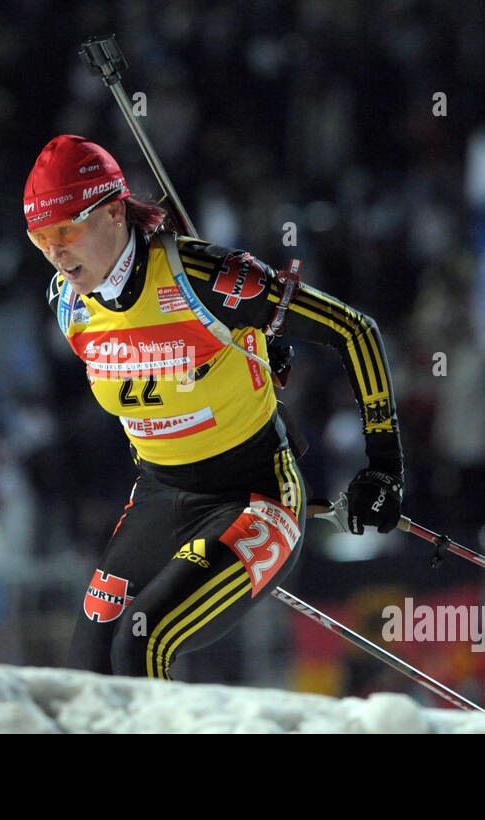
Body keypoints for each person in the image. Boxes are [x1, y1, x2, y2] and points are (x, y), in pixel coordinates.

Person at [24, 134, 405, 679]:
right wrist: (253, 349)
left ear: (113, 213)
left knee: (141, 641)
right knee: (89, 667)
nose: (55, 253)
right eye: (40, 237)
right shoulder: (68, 304)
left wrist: (384, 467)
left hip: (255, 497)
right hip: (162, 495)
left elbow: (354, 329)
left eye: (65, 230)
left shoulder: (205, 279)